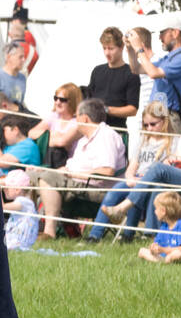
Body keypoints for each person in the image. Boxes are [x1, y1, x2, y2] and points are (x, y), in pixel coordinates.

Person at [100, 88, 181, 232]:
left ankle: (123, 208)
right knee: (159, 185)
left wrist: (179, 159)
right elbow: (177, 157)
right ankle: (152, 234)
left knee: (159, 169)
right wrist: (172, 162)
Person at [33, 97, 127, 239]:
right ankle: (28, 227)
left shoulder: (105, 136)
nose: (75, 120)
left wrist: (72, 174)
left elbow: (107, 171)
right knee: (29, 176)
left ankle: (49, 232)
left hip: (96, 189)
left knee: (47, 179)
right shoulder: (84, 138)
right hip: (78, 182)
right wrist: (53, 171)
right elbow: (70, 167)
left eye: (76, 116)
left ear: (84, 118)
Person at [88, 100, 178, 242]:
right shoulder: (143, 140)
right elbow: (133, 165)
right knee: (115, 191)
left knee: (144, 191)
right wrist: (129, 177)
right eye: (145, 125)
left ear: (164, 121)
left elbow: (169, 168)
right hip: (136, 178)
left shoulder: (172, 142)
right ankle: (94, 234)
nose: (149, 128)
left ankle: (136, 234)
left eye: (153, 124)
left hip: (156, 182)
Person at [131, 21, 181, 119]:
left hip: (168, 116)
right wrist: (130, 49)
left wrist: (139, 49)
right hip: (158, 115)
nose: (160, 37)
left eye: (162, 33)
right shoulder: (167, 59)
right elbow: (136, 69)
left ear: (175, 33)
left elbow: (153, 73)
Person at [88, 27, 140, 131]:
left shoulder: (131, 73)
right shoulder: (97, 71)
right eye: (104, 48)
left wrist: (106, 110)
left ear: (121, 47)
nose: (107, 53)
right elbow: (88, 98)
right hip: (94, 129)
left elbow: (133, 109)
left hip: (116, 130)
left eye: (111, 48)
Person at [27, 83, 83, 168]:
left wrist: (44, 138)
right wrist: (53, 134)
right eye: (55, 98)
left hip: (67, 165)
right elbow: (31, 133)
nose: (57, 102)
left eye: (62, 100)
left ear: (73, 101)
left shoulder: (77, 123)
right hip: (50, 159)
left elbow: (62, 142)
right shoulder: (53, 116)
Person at [138, 191, 181, 264]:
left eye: (156, 208)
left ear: (163, 211)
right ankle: (164, 261)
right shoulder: (164, 226)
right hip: (167, 255)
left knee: (178, 254)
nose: (155, 211)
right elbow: (158, 244)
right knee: (142, 251)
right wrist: (153, 248)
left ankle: (162, 261)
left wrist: (163, 250)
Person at [0, 42, 27, 124]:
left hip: (14, 125)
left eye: (24, 57)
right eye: (20, 57)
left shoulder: (22, 78)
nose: (23, 60)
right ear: (9, 57)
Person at [2, 169, 39, 251]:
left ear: (17, 190)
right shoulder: (24, 201)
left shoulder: (23, 202)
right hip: (15, 241)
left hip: (18, 243)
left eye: (6, 188)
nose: (4, 190)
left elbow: (2, 207)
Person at [125, 26, 156, 113]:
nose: (127, 50)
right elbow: (134, 69)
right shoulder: (143, 64)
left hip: (157, 117)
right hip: (145, 117)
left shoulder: (158, 61)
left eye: (132, 43)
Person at [7, 2, 39, 75]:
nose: (12, 22)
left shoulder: (27, 36)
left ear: (17, 21)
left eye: (14, 20)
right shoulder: (26, 34)